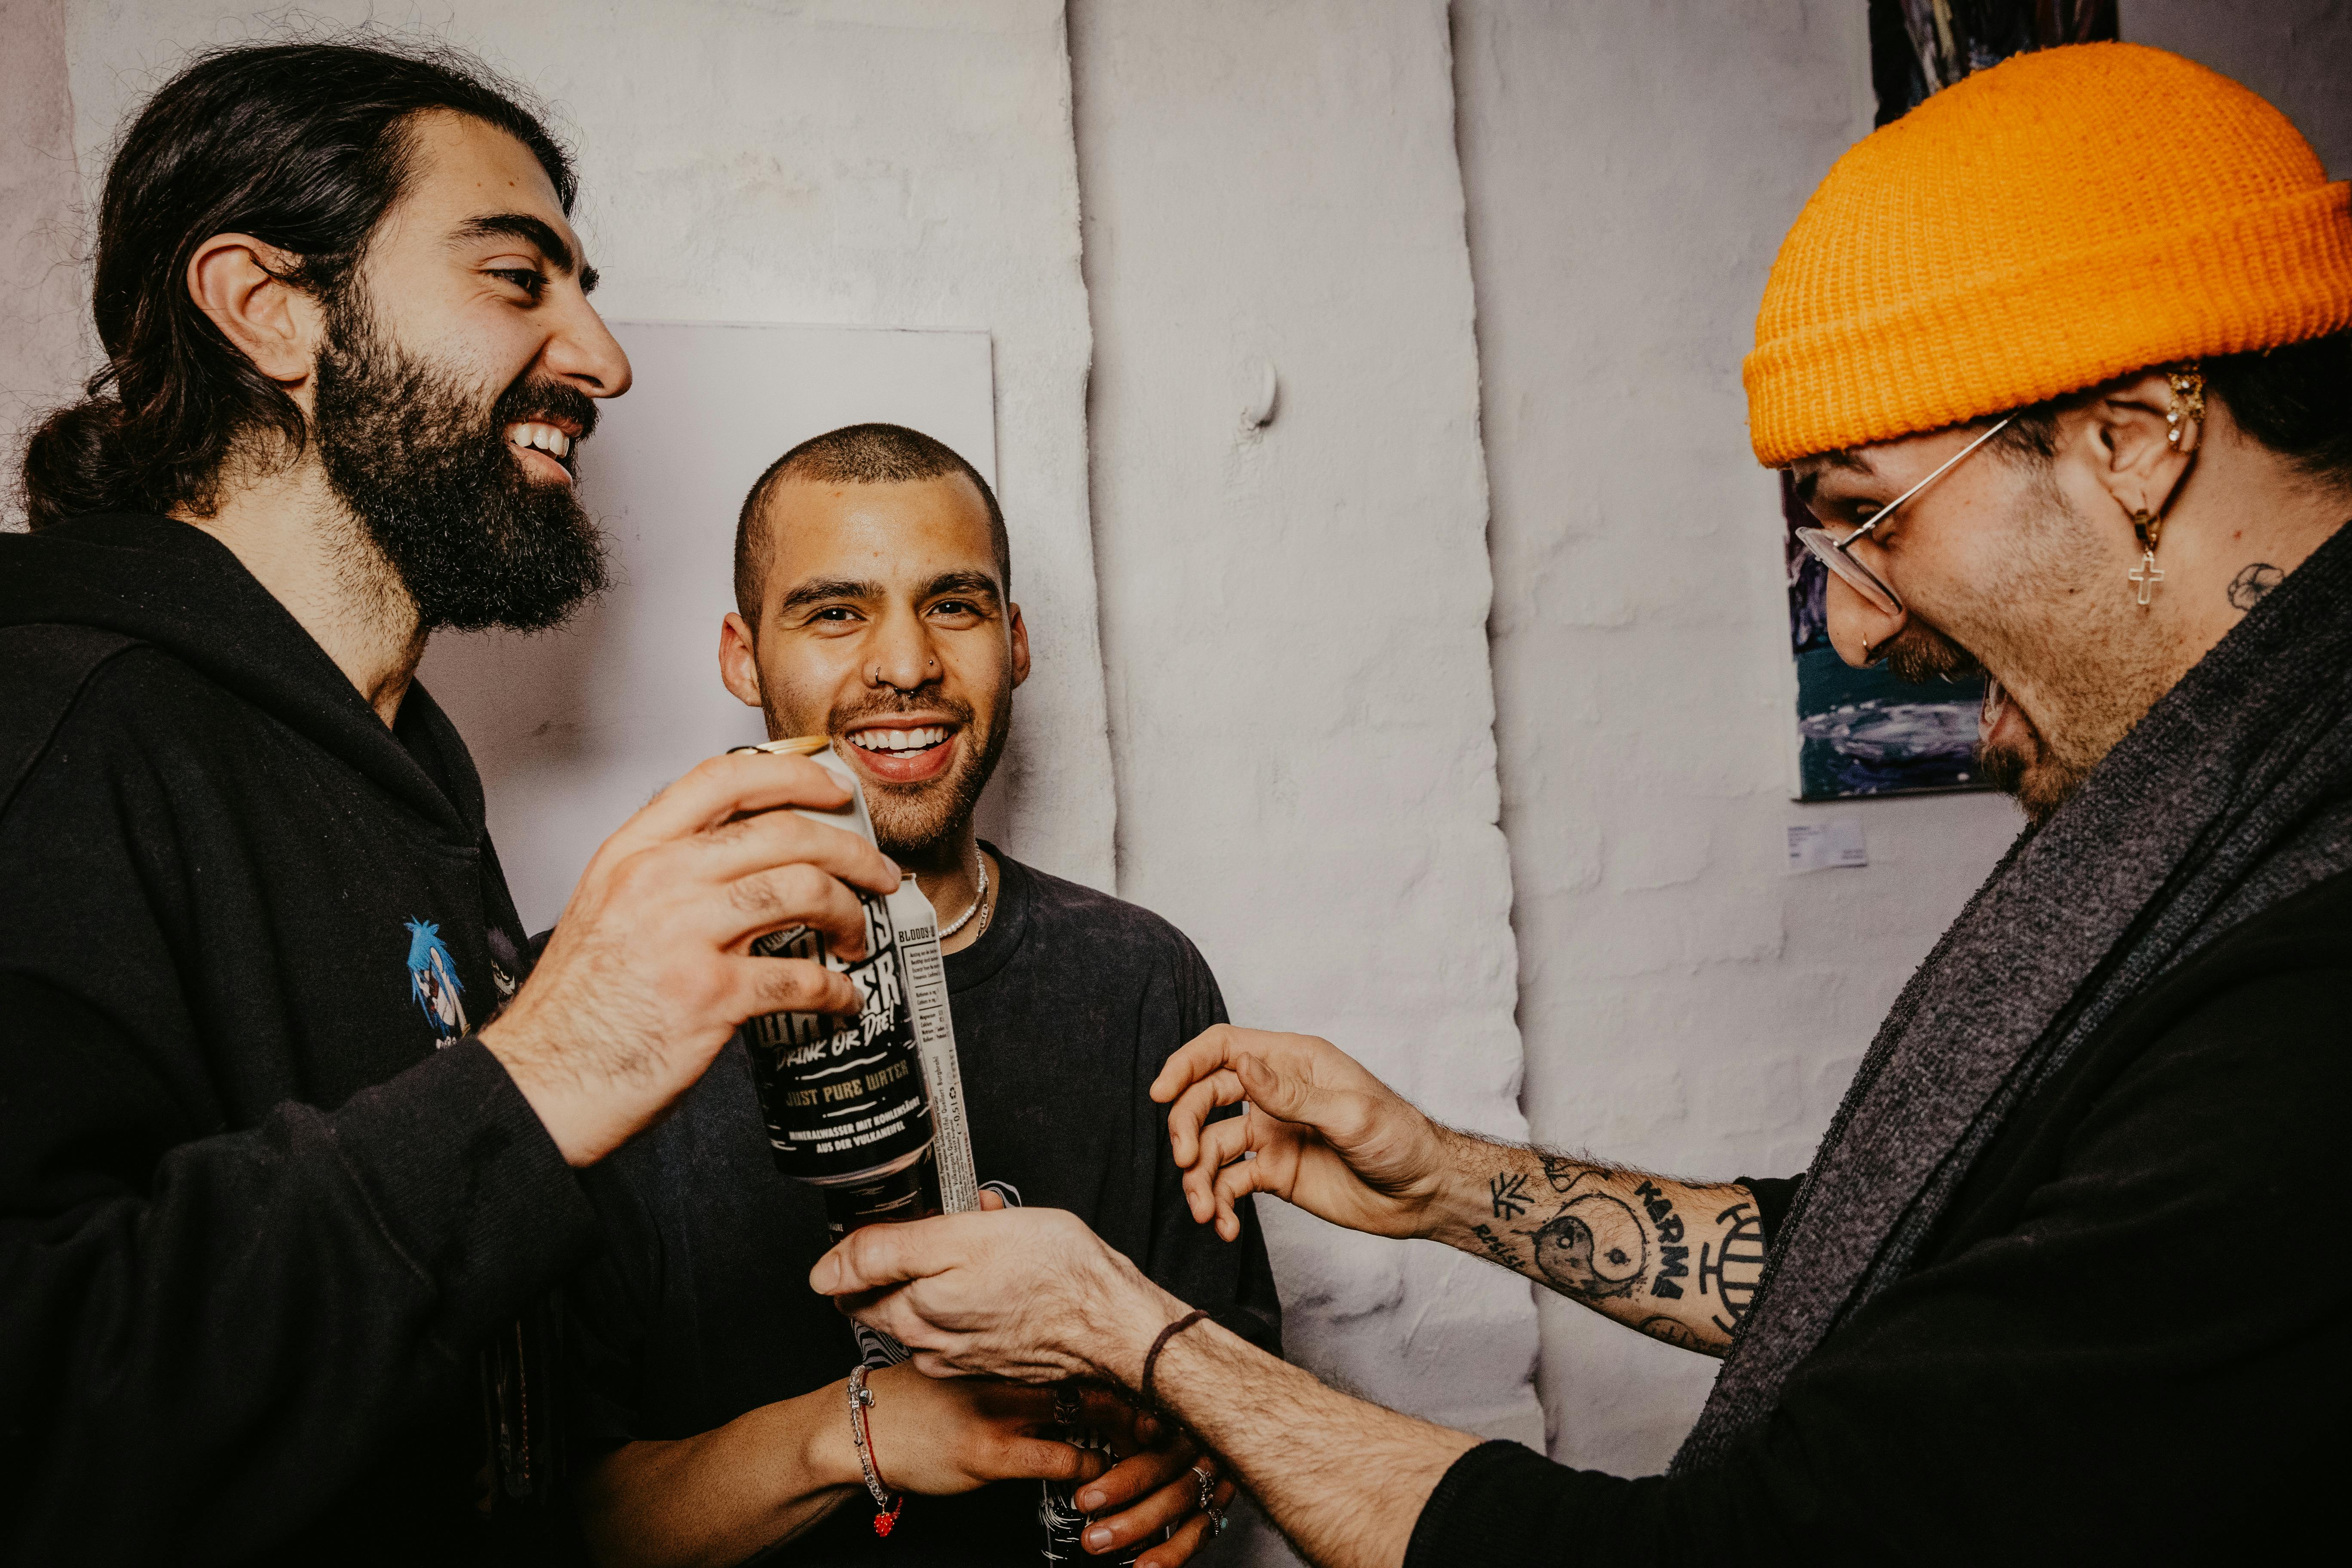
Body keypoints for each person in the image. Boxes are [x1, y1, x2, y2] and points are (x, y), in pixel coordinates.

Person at [807, 42, 2352, 1567]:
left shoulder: (2302, 984)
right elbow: (1906, 1265)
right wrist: (1444, 1179)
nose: (1863, 626)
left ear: (2137, 439)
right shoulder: (2235, 824)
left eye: (1865, 516)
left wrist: (1135, 1336)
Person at [0, 44, 897, 1564]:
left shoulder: (403, 776)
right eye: (515, 277)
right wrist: (550, 1066)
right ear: (269, 308)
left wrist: (858, 1435)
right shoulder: (48, 728)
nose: (604, 360)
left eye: (584, 287)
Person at [563, 424, 1280, 1568]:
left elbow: (1230, 1366)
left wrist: (1199, 1456)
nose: (905, 664)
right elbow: (555, 1525)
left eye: (953, 604)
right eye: (836, 611)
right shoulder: (593, 1015)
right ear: (742, 656)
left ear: (1017, 639)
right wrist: (863, 1432)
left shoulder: (1143, 977)